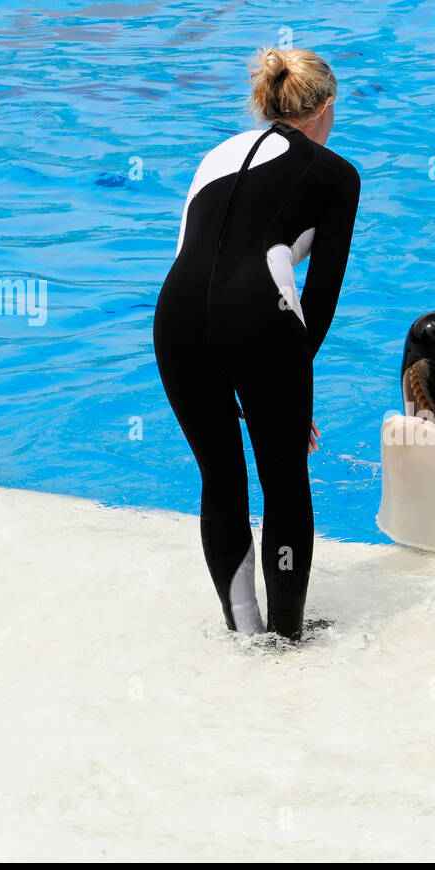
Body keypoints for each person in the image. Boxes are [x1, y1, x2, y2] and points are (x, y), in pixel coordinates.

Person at [154, 47, 361, 640]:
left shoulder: (214, 154)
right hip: (258, 319)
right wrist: (289, 384)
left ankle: (243, 632)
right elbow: (319, 296)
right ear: (326, 107)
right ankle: (289, 637)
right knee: (283, 478)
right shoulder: (334, 173)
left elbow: (187, 255)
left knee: (220, 477)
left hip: (176, 318)